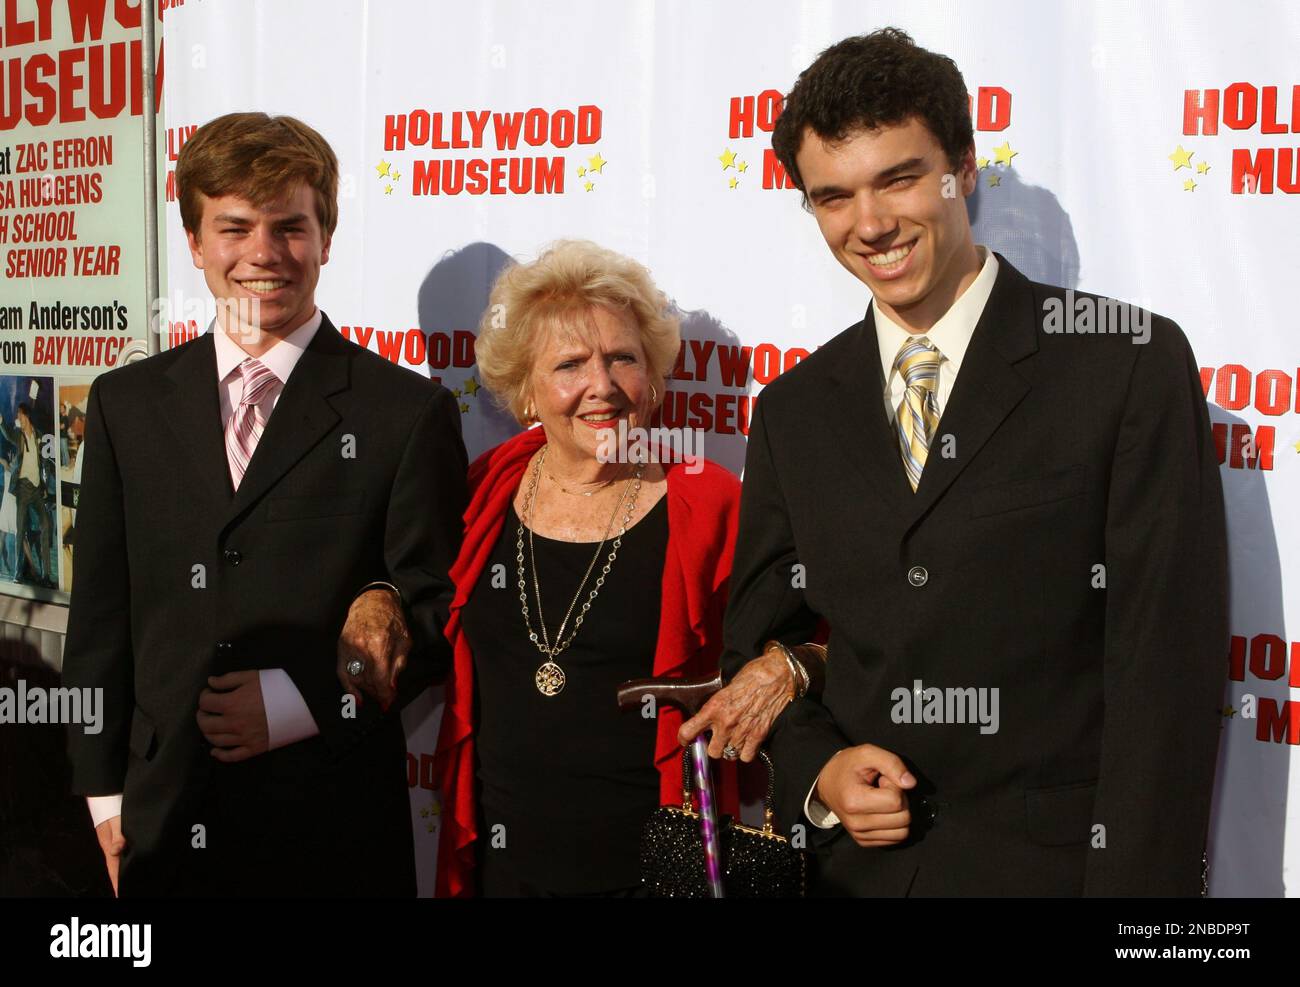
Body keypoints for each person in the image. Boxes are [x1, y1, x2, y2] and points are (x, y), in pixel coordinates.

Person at [717, 29, 1228, 896]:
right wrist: (821, 774)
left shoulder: (1123, 364)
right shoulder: (794, 409)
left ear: (964, 166)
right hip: (855, 880)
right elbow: (759, 639)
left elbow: (1166, 678)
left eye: (900, 178)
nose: (870, 224)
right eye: (833, 196)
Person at [62, 112, 468, 897]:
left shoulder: (404, 412)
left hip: (331, 825)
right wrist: (104, 792)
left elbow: (434, 611)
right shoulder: (126, 403)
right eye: (235, 226)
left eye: (290, 226)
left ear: (325, 238)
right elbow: (101, 615)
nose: (263, 254)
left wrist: (296, 699)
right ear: (194, 243)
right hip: (162, 818)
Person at [434, 239, 786, 897]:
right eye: (570, 364)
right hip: (504, 870)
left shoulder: (710, 506)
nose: (602, 385)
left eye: (622, 358)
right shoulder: (482, 493)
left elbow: (794, 642)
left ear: (652, 380)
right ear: (525, 392)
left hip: (657, 872)